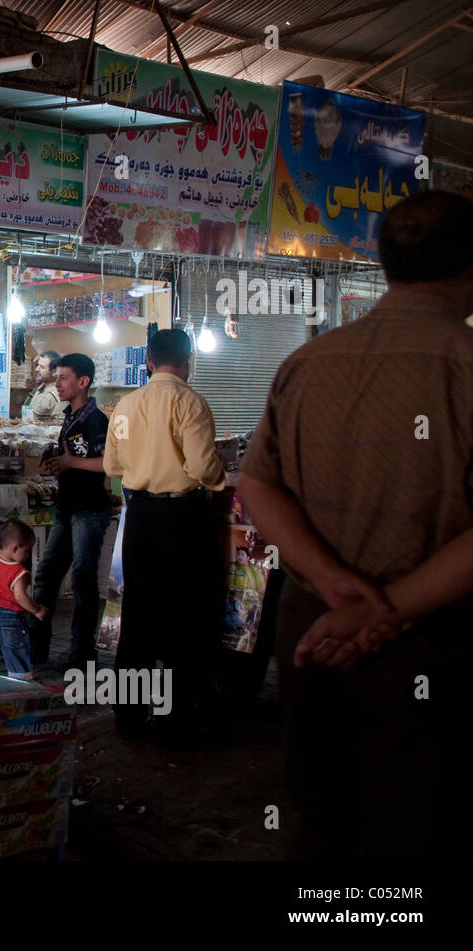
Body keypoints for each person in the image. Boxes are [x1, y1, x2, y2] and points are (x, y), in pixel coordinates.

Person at [237, 190, 473, 860]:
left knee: (325, 818)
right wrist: (384, 608)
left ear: (382, 259)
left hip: (316, 637)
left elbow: (257, 484)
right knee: (423, 827)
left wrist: (334, 586)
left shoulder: (309, 362)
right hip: (432, 644)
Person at [102, 328, 227, 745]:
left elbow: (112, 465)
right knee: (183, 614)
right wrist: (219, 475)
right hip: (182, 519)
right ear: (188, 361)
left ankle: (129, 714)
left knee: (137, 613)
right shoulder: (190, 402)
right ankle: (175, 716)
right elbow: (205, 469)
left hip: (139, 518)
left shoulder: (124, 405)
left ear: (150, 362)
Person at [32, 353, 113, 668]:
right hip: (67, 508)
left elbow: (109, 464)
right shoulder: (70, 416)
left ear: (83, 382)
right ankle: (36, 648)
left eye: (64, 377)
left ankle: (82, 653)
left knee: (83, 581)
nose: (57, 382)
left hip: (89, 510)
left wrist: (69, 463)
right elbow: (73, 457)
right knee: (46, 577)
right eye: (57, 376)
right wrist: (56, 461)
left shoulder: (96, 421)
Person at [0, 519, 46, 680]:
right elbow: (20, 596)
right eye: (26, 551)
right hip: (10, 620)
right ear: (15, 548)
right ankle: (20, 685)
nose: (27, 556)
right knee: (16, 656)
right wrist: (37, 609)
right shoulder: (19, 571)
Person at [27, 349, 67, 424]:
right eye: (37, 365)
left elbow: (58, 425)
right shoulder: (40, 388)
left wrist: (35, 424)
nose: (36, 369)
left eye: (42, 367)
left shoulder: (60, 393)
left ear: (54, 371)